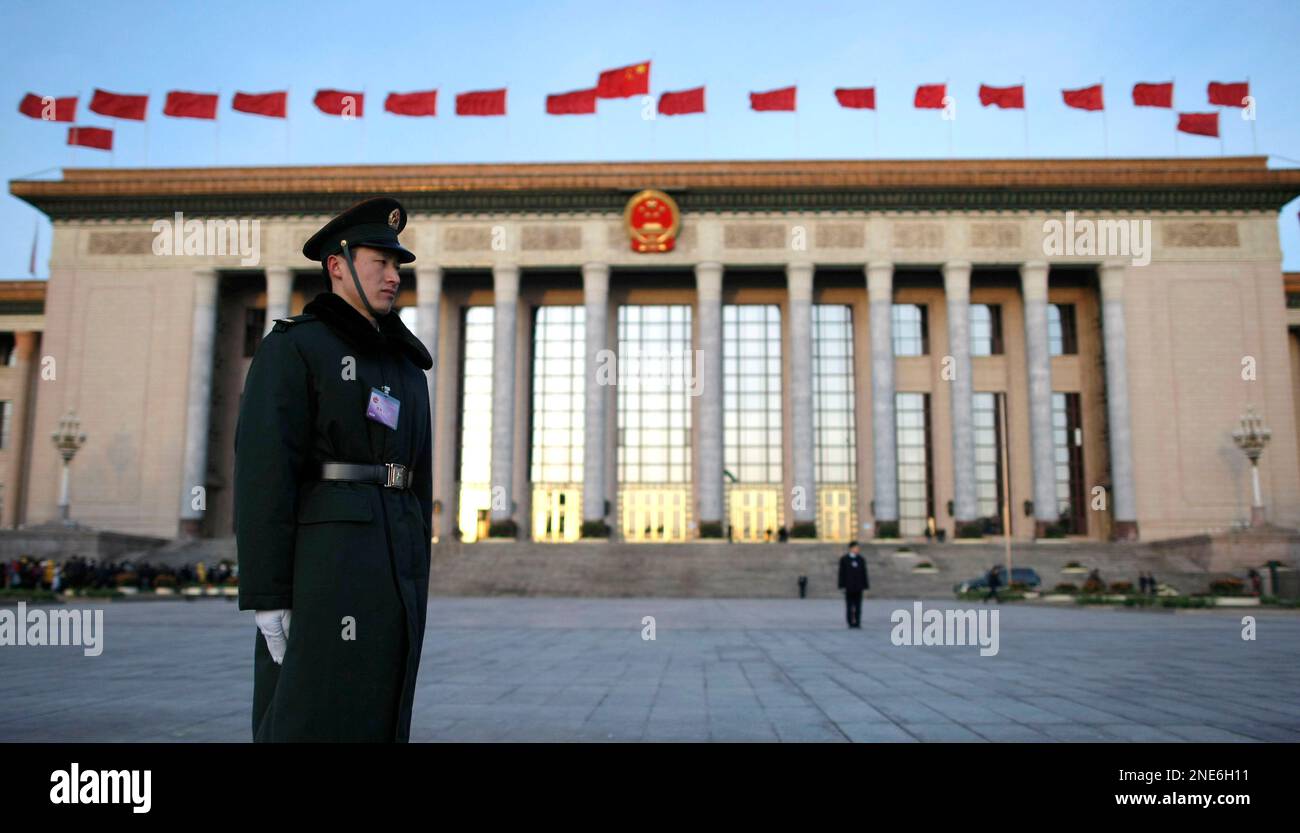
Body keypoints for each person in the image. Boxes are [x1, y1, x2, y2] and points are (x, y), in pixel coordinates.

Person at [234, 196, 434, 743]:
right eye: (382, 262)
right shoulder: (296, 348)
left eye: (398, 266)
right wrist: (267, 593)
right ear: (338, 265)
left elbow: (418, 478)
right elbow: (263, 474)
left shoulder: (407, 368)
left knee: (381, 709)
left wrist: (419, 560)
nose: (394, 276)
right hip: (324, 564)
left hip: (396, 560)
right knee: (313, 710)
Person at [837, 541, 869, 628]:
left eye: (858, 548)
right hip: (849, 587)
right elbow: (841, 573)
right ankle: (850, 622)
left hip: (858, 587)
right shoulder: (844, 559)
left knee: (858, 606)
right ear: (851, 548)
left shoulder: (861, 559)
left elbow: (864, 573)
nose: (857, 550)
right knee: (849, 606)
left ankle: (858, 622)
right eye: (855, 548)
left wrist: (865, 585)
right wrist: (841, 585)